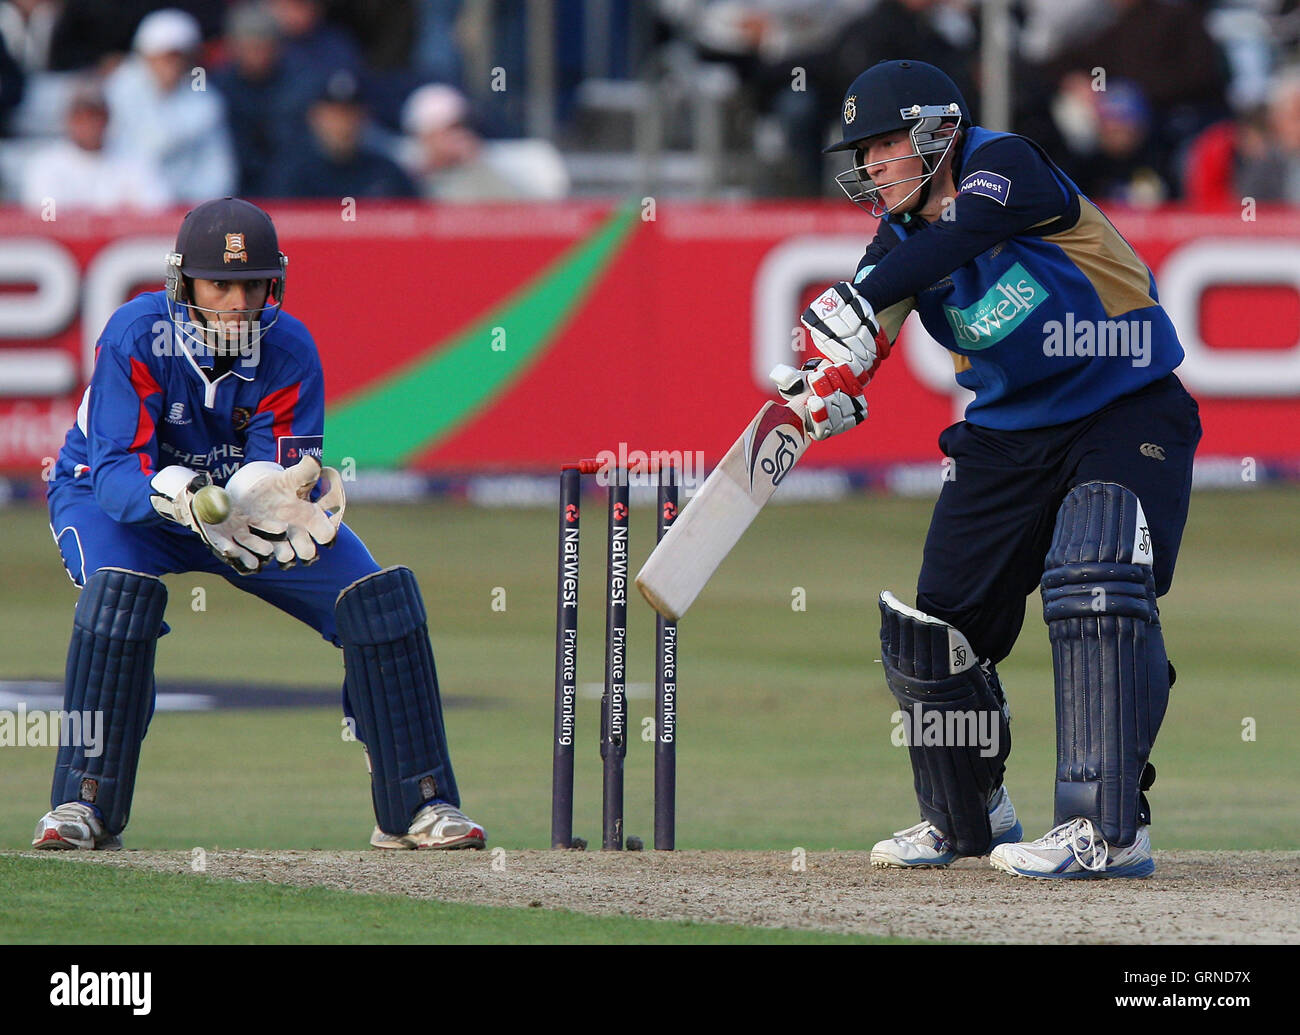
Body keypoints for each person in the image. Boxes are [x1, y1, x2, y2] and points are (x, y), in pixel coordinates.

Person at [787, 60, 1200, 878]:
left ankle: (1108, 828)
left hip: (1124, 406)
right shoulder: (901, 238)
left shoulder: (1003, 165)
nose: (871, 167)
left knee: (1098, 577)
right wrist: (830, 385)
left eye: (885, 145)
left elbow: (959, 239)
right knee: (933, 636)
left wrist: (861, 302)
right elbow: (871, 320)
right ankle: (966, 813)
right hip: (1007, 439)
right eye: (862, 153)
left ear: (937, 131)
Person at [34, 197, 484, 854]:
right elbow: (114, 476)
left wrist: (248, 494)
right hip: (119, 505)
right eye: (221, 283)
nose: (238, 302)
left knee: (376, 602)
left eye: (253, 284)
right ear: (182, 282)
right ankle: (83, 801)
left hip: (240, 518)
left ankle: (417, 803)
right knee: (117, 599)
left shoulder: (290, 347)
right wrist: (183, 495)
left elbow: (274, 471)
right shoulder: (134, 335)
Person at [102, 8, 236, 202]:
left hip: (186, 206)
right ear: (146, 56)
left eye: (177, 57)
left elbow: (217, 167)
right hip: (127, 203)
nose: (170, 65)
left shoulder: (205, 102)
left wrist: (197, 205)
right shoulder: (118, 91)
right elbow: (112, 154)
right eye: (164, 57)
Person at [20, 77, 171, 212]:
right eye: (80, 117)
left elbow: (156, 210)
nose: (88, 125)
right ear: (67, 121)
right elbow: (45, 218)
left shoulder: (135, 161)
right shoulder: (45, 165)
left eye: (95, 116)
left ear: (107, 117)